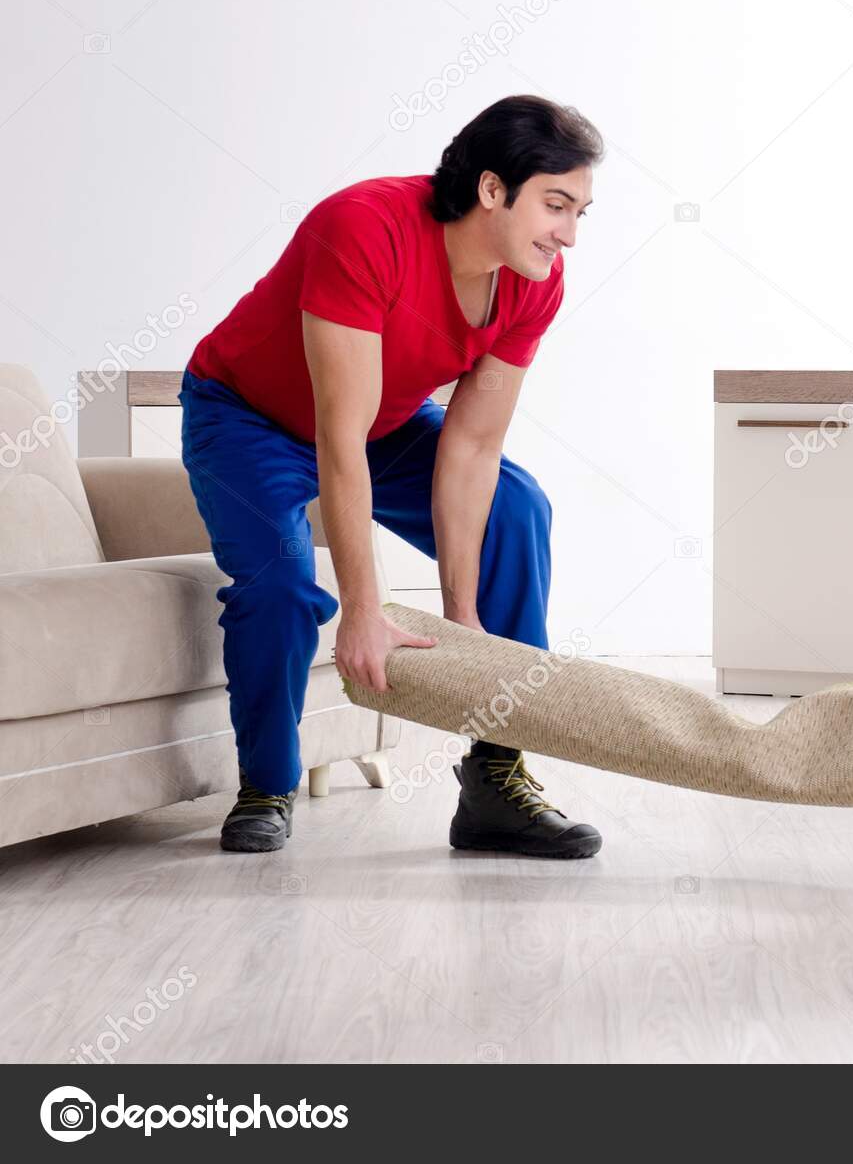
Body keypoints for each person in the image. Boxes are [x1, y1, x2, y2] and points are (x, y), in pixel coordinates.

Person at [180, 94, 603, 858]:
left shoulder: (534, 279)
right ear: (491, 190)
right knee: (279, 580)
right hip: (248, 415)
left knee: (516, 507)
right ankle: (266, 785)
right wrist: (364, 612)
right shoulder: (364, 226)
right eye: (556, 205)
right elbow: (335, 440)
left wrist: (464, 622)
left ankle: (495, 782)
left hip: (382, 420)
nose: (569, 234)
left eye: (580, 212)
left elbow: (472, 448)